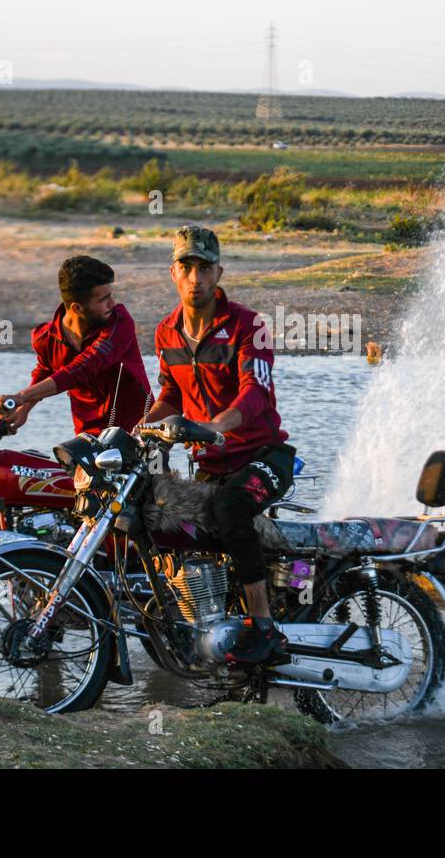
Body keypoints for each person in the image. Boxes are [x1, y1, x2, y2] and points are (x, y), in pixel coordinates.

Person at [141, 226, 296, 665]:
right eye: (187, 267)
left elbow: (254, 393)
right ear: (173, 272)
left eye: (205, 268)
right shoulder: (166, 332)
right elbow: (170, 394)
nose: (196, 277)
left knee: (229, 509)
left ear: (219, 272)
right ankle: (199, 620)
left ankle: (263, 626)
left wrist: (215, 427)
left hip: (265, 457)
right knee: (164, 511)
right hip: (211, 462)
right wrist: (141, 430)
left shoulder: (250, 325)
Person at [0, 255, 152, 436]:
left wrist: (21, 397)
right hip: (88, 434)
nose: (113, 303)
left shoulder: (119, 322)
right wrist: (24, 408)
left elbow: (85, 366)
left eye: (111, 295)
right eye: (104, 299)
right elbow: (46, 370)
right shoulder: (45, 338)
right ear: (77, 308)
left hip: (139, 428)